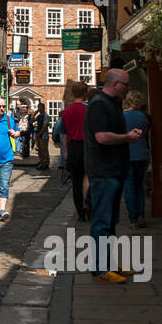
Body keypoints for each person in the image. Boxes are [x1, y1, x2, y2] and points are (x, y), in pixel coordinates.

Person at [84, 68, 144, 283]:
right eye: (126, 84)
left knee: (110, 221)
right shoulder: (99, 105)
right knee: (101, 221)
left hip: (114, 170)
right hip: (103, 171)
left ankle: (107, 263)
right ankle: (100, 269)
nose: (128, 89)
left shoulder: (113, 103)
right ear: (115, 84)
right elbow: (101, 137)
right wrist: (127, 137)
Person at [62, 81, 90, 222]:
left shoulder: (67, 111)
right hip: (88, 147)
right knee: (89, 177)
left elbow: (64, 135)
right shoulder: (89, 109)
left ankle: (80, 213)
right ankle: (89, 205)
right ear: (85, 94)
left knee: (76, 182)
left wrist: (66, 151)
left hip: (73, 148)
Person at [123, 90, 151, 229]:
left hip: (126, 154)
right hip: (142, 154)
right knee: (139, 186)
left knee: (128, 186)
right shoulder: (143, 117)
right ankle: (141, 216)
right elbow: (144, 134)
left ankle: (133, 219)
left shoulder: (121, 116)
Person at [51, 110, 70, 186]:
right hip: (70, 140)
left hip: (63, 138)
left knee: (64, 153)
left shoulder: (59, 121)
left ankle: (65, 175)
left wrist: (55, 139)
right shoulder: (67, 120)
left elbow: (55, 131)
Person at [32, 101, 51, 170]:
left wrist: (39, 133)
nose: (39, 109)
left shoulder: (46, 116)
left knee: (44, 150)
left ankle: (45, 164)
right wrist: (34, 114)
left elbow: (45, 126)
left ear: (43, 108)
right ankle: (41, 161)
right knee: (39, 150)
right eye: (38, 107)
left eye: (40, 107)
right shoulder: (39, 116)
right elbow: (31, 122)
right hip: (38, 135)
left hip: (43, 135)